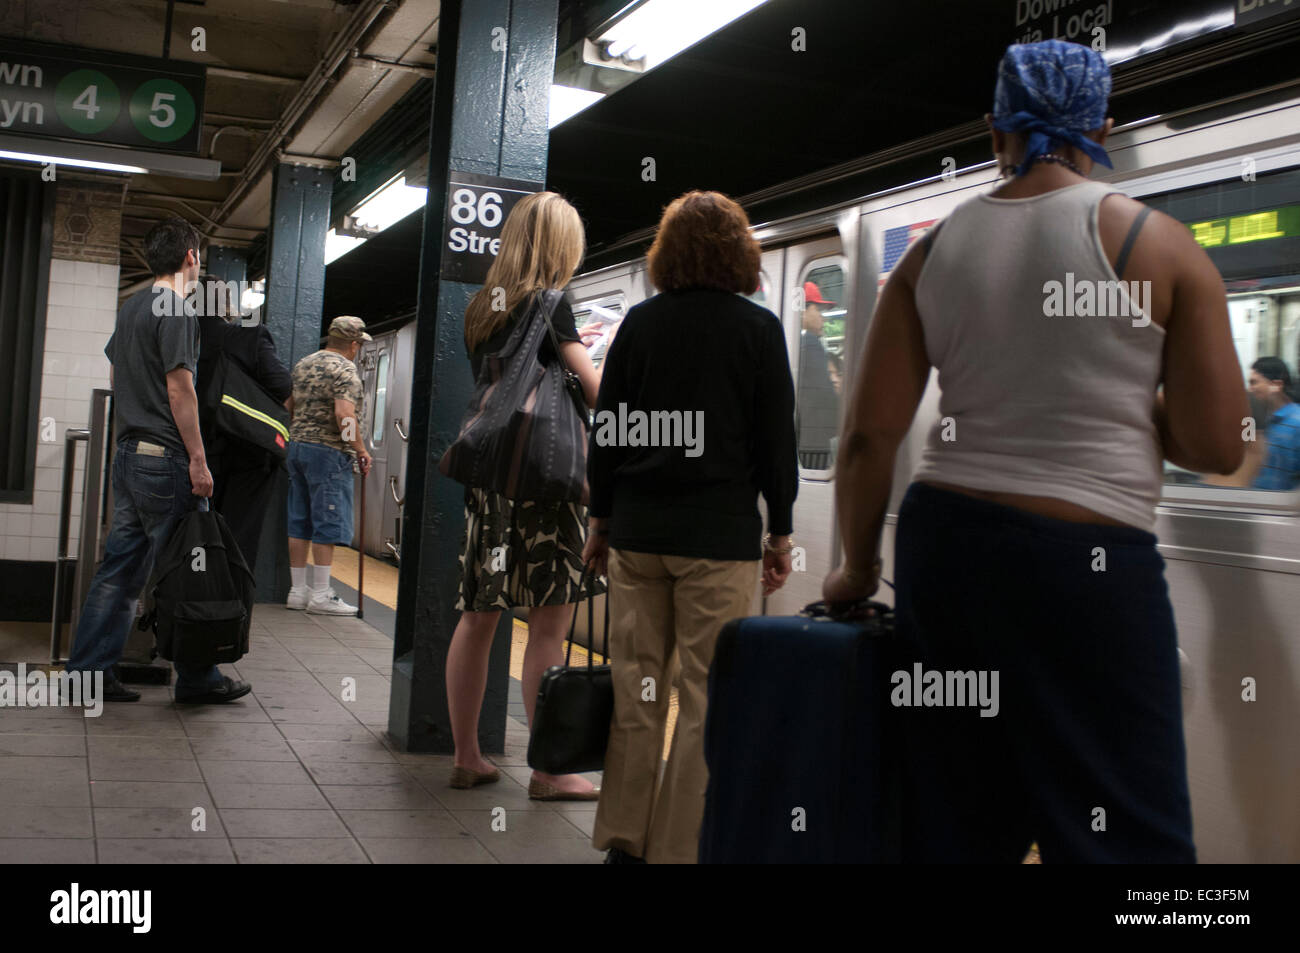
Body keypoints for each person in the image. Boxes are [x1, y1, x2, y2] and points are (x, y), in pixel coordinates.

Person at [824, 40, 1247, 863]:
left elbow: (869, 436)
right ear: (1104, 127)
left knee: (954, 818)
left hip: (948, 552)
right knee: (1127, 830)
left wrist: (854, 568)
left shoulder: (928, 252)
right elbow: (1214, 444)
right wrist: (1135, 393)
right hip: (1088, 563)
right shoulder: (1161, 248)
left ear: (993, 131)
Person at [584, 190, 798, 864]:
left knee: (638, 690)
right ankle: (679, 849)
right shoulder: (758, 330)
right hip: (718, 542)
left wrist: (599, 518)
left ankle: (624, 840)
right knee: (707, 699)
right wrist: (781, 533)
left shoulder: (639, 326)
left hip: (640, 536)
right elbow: (775, 445)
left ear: (665, 253)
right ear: (742, 255)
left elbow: (608, 432)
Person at [445, 191, 605, 801]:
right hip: (545, 485)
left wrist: (567, 349)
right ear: (561, 247)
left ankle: (467, 757)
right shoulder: (552, 302)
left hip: (493, 485)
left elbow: (512, 377)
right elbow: (594, 393)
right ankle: (548, 769)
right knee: (547, 628)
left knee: (479, 616)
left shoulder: (481, 308)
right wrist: (594, 357)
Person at [66, 217, 253, 705]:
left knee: (119, 571)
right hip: (164, 459)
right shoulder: (176, 308)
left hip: (127, 455)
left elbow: (116, 369)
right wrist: (197, 458)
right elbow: (179, 387)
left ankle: (88, 674)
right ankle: (198, 678)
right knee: (189, 567)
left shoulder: (132, 307)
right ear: (192, 256)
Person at [195, 280, 292, 572]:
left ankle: (188, 608)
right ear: (227, 306)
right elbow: (283, 387)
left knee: (194, 538)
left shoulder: (182, 336)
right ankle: (228, 612)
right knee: (237, 543)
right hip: (247, 456)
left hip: (195, 453)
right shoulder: (248, 335)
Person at [285, 315, 373, 615]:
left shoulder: (303, 364)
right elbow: (344, 415)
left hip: (296, 448)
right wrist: (358, 448)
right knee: (327, 520)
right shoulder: (345, 370)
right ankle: (321, 595)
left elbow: (290, 406)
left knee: (300, 519)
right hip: (327, 451)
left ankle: (297, 591)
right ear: (353, 344)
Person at [797, 281, 840, 468]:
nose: (824, 318)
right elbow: (824, 397)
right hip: (815, 444)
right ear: (805, 310)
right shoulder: (810, 343)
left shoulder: (797, 344)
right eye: (820, 310)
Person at [1248, 356, 1300, 490]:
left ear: (1276, 385)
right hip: (1250, 503)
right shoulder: (1250, 420)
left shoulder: (1297, 423)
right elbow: (1246, 459)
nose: (1250, 389)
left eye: (1254, 383)